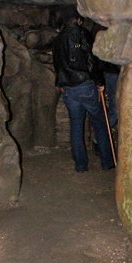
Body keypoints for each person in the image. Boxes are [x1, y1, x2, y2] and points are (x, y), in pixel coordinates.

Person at [52, 15, 115, 173]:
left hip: (68, 88)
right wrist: (99, 81)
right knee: (99, 123)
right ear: (78, 20)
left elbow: (57, 64)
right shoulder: (81, 34)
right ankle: (107, 162)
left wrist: (61, 83)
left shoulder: (57, 39)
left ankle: (80, 165)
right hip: (85, 85)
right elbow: (91, 60)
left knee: (76, 125)